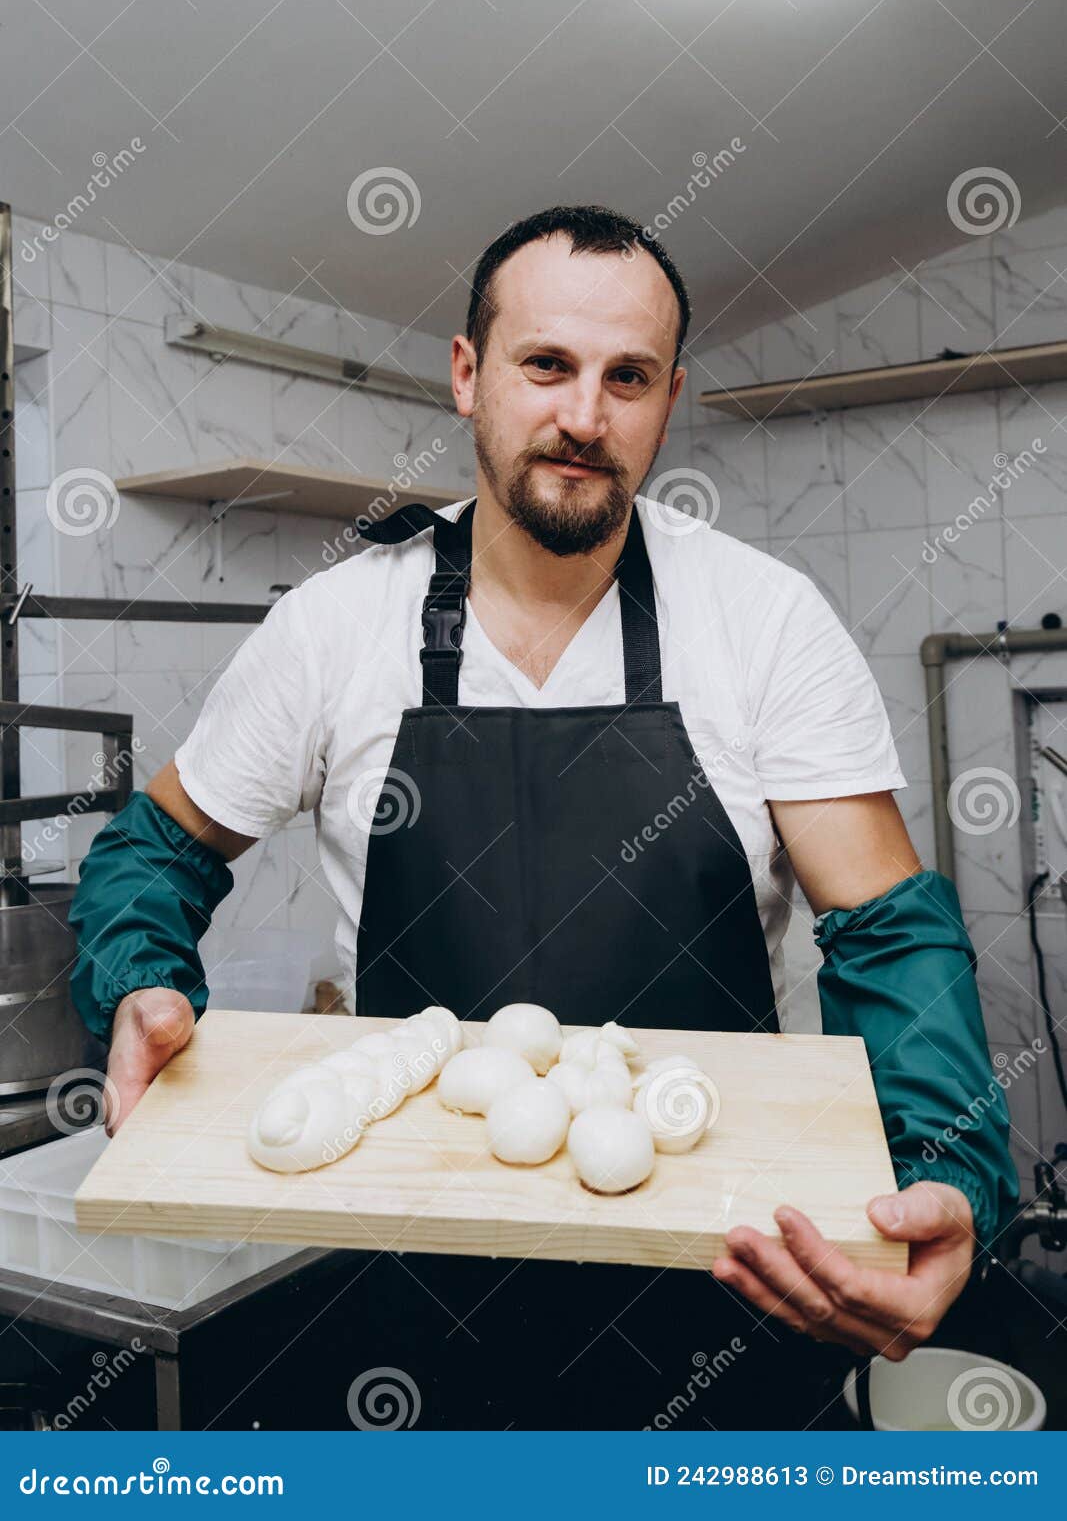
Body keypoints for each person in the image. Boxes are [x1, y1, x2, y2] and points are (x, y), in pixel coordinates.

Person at [70, 204, 1017, 1429]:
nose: (583, 416)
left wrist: (949, 1167)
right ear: (467, 376)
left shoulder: (764, 621)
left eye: (626, 377)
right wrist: (140, 979)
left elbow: (888, 931)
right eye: (545, 366)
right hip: (411, 1283)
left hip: (728, 1281)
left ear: (669, 397)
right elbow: (157, 848)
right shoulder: (335, 625)